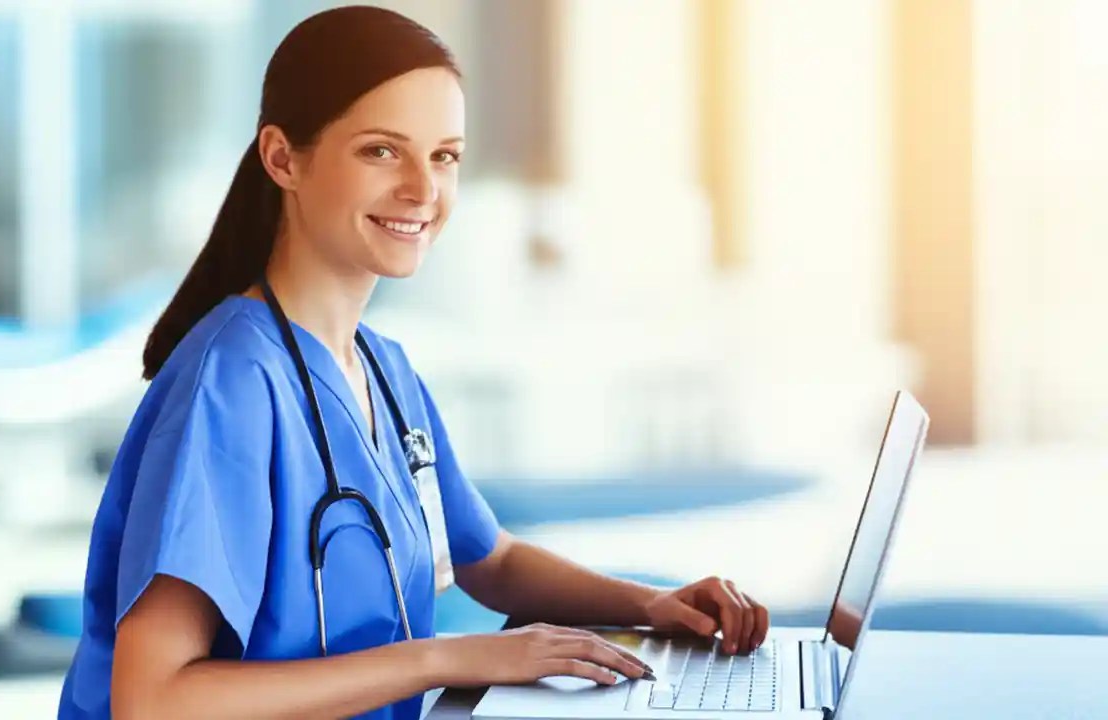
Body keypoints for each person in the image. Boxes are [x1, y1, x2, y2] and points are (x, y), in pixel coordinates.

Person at [57, 6, 769, 719]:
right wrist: (449, 657)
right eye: (382, 151)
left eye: (444, 155)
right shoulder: (235, 381)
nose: (423, 190)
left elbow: (491, 560)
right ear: (283, 158)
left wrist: (652, 605)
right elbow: (152, 699)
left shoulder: (383, 370)